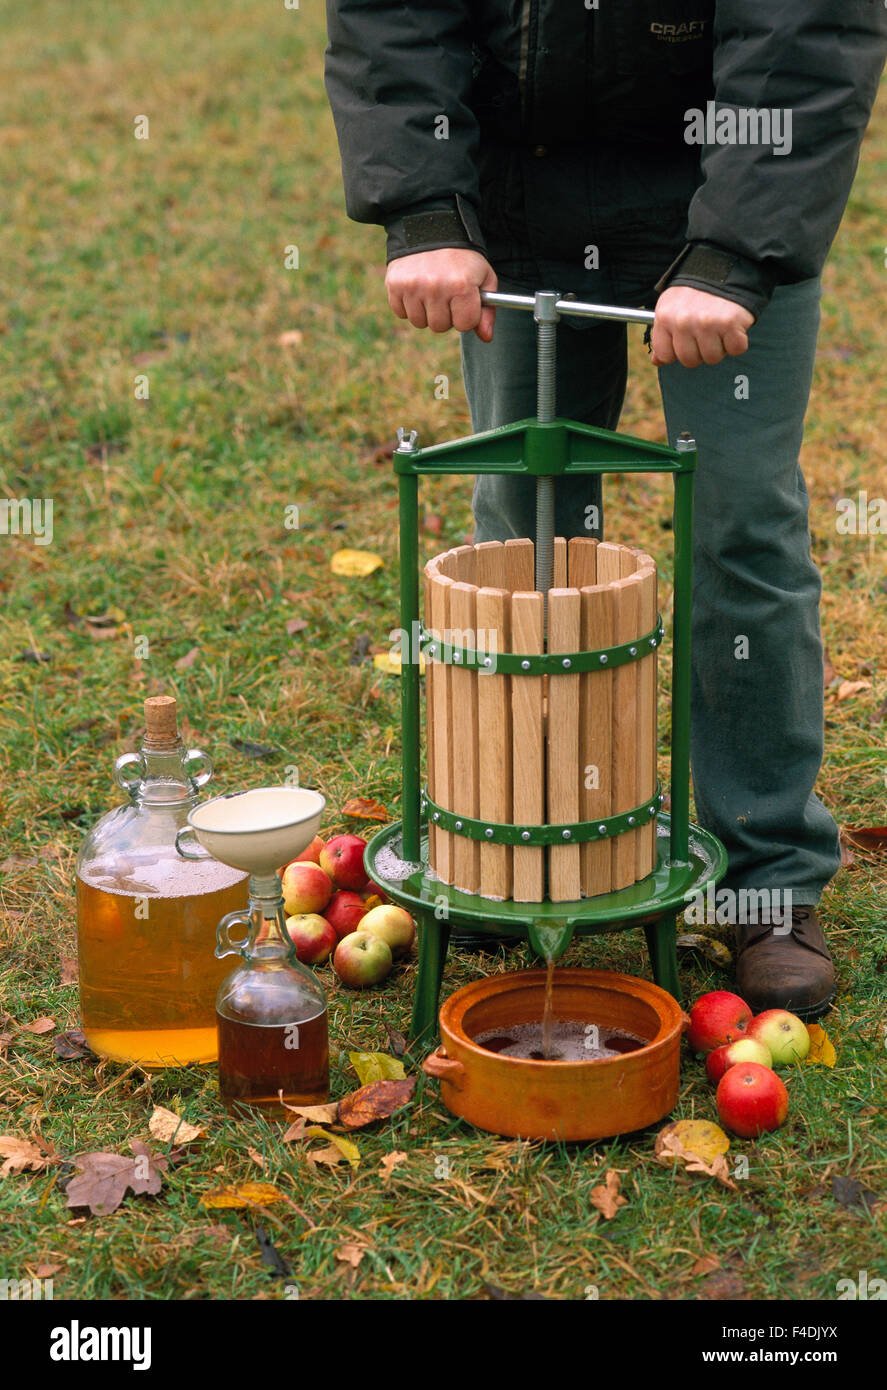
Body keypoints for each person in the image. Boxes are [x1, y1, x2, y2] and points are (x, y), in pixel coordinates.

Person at [323, 2, 887, 1017]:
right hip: (516, 200)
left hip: (721, 191)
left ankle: (762, 880)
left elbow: (803, 28)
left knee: (741, 523)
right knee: (527, 536)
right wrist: (425, 209)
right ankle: (527, 839)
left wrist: (735, 250)